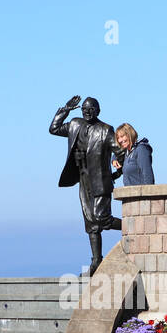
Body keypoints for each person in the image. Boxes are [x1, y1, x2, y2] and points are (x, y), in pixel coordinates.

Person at [50, 95, 122, 275]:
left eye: (91, 109)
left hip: (100, 181)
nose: (88, 112)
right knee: (91, 223)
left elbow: (120, 151)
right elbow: (54, 128)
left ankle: (131, 226)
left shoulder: (106, 130)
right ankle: (96, 260)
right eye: (84, 109)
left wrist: (118, 170)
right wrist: (65, 110)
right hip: (83, 179)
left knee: (102, 219)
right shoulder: (75, 124)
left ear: (98, 111)